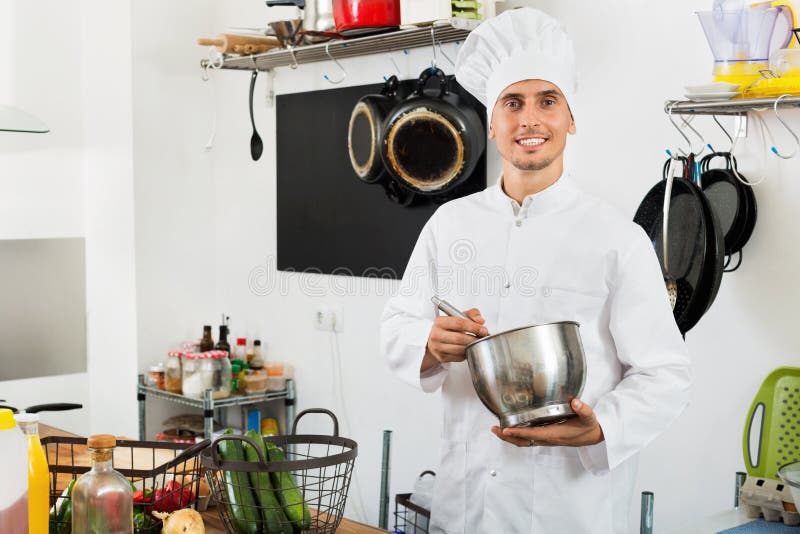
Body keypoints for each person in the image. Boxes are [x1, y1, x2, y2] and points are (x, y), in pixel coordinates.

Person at [380, 8, 691, 534]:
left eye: (548, 101)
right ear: (493, 121)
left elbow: (666, 375)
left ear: (571, 119)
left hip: (571, 508)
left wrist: (602, 429)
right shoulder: (450, 225)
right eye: (512, 103)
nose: (530, 120)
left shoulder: (617, 238)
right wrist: (430, 344)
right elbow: (397, 324)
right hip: (467, 501)